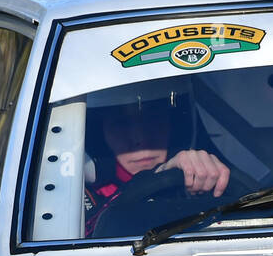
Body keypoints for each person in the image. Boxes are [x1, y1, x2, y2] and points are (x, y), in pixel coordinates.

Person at [85, 95, 231, 236]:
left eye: (152, 118)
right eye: (120, 123)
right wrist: (158, 175)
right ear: (99, 135)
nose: (140, 139)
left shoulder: (211, 178)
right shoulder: (73, 196)